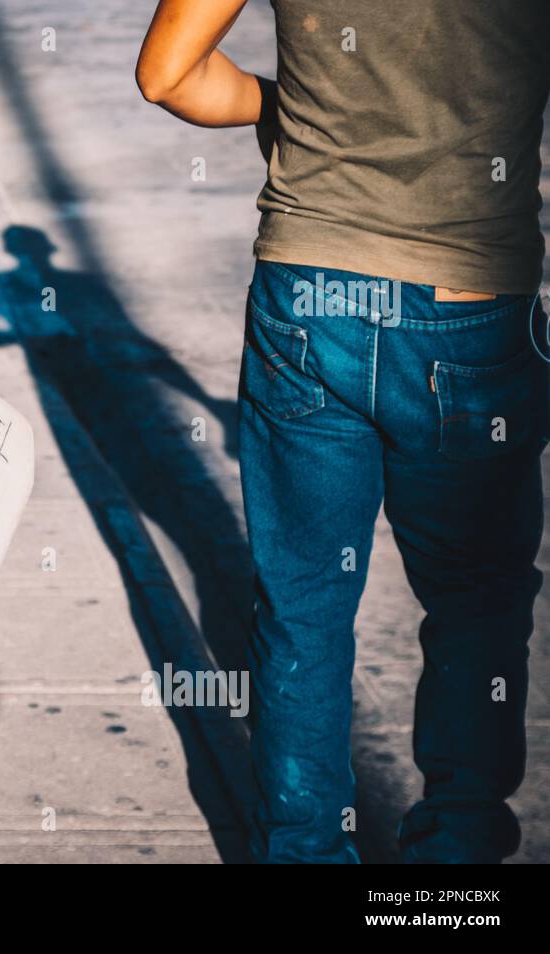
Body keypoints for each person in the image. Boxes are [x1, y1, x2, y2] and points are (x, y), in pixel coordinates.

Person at [137, 0, 549, 862]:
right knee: (475, 602)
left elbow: (167, 74)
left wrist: (303, 111)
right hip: (467, 306)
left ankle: (302, 848)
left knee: (304, 606)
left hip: (308, 301)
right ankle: (453, 863)